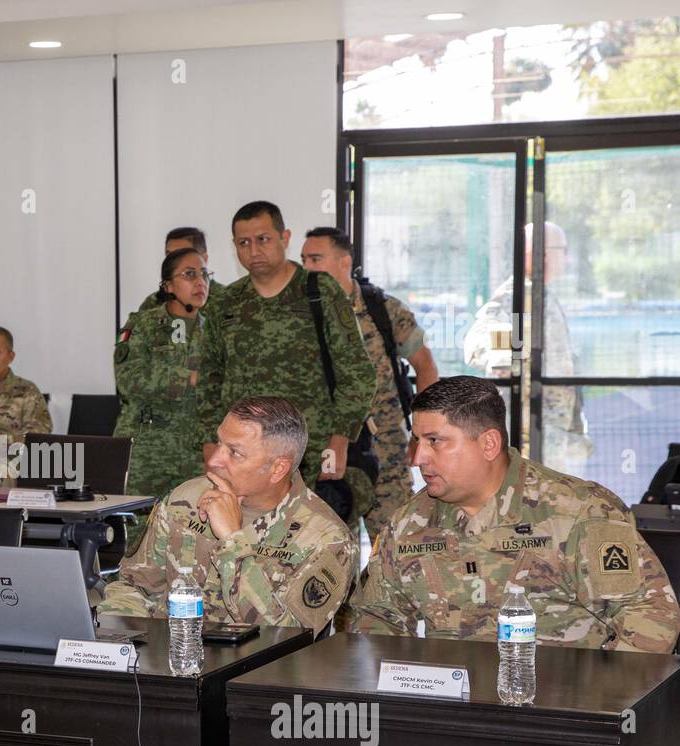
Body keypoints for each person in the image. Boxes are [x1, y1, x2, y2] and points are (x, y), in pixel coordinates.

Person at [348, 375, 679, 652]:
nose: (418, 457)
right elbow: (377, 615)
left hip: (557, 709)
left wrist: (600, 696)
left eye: (435, 441)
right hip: (449, 707)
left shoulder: (580, 511)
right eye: (417, 441)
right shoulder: (409, 522)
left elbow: (650, 612)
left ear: (489, 444)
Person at [97, 396, 356, 631]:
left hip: (252, 677)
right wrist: (118, 643)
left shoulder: (327, 538)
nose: (214, 460)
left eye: (235, 452)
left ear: (278, 469)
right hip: (172, 661)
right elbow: (135, 586)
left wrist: (233, 540)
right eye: (219, 442)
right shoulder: (185, 499)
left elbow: (285, 636)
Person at [197, 202, 377, 524]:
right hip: (245, 461)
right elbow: (210, 378)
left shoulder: (319, 292)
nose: (254, 250)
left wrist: (340, 438)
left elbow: (357, 372)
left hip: (310, 455)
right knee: (248, 548)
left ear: (285, 237)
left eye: (263, 239)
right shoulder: (225, 302)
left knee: (317, 549)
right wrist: (211, 442)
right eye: (244, 242)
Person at [301, 227, 439, 535]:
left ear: (344, 262)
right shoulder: (300, 317)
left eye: (316, 259)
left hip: (386, 449)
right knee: (330, 551)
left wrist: (423, 433)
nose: (307, 268)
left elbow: (426, 366)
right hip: (328, 454)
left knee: (394, 545)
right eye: (303, 260)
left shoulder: (382, 309)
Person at [464, 221, 590, 468]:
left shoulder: (540, 295)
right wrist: (504, 360)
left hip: (549, 431)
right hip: (529, 434)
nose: (565, 257)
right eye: (561, 249)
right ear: (540, 253)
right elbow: (483, 346)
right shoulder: (517, 297)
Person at [113, 247, 209, 498]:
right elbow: (129, 381)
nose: (200, 282)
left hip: (194, 452)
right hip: (145, 451)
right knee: (134, 530)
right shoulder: (142, 325)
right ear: (168, 286)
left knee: (192, 531)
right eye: (189, 275)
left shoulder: (216, 331)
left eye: (204, 274)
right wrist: (188, 378)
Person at [128, 227, 226, 318]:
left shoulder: (227, 299)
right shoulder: (154, 302)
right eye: (169, 256)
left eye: (184, 254)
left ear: (204, 259)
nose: (174, 262)